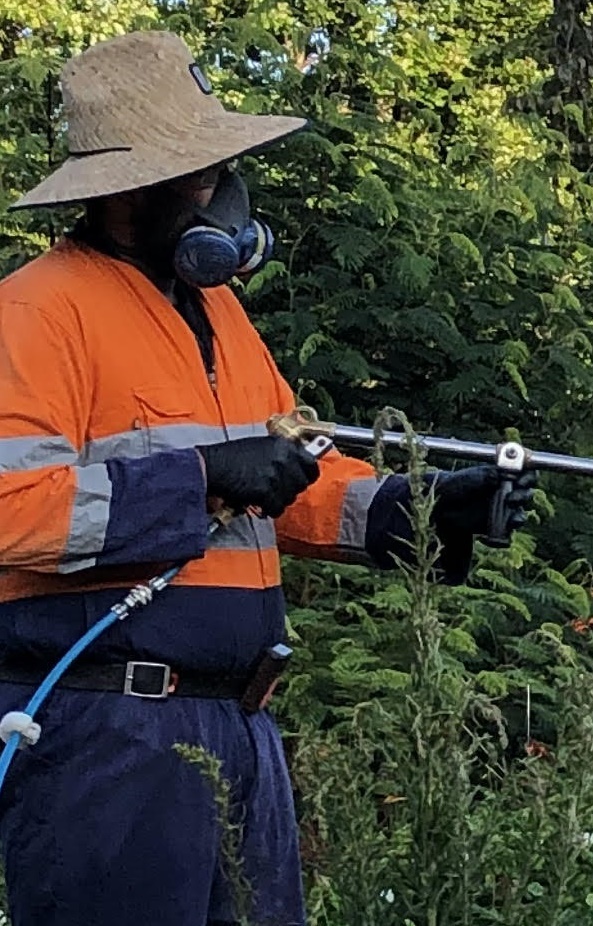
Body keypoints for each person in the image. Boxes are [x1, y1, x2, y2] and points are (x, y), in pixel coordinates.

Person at [0, 29, 534, 926]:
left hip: (238, 727)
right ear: (124, 190)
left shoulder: (218, 315)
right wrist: (203, 477)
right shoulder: (35, 312)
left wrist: (415, 511)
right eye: (197, 173)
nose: (219, 192)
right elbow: (12, 513)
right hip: (108, 735)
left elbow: (293, 476)